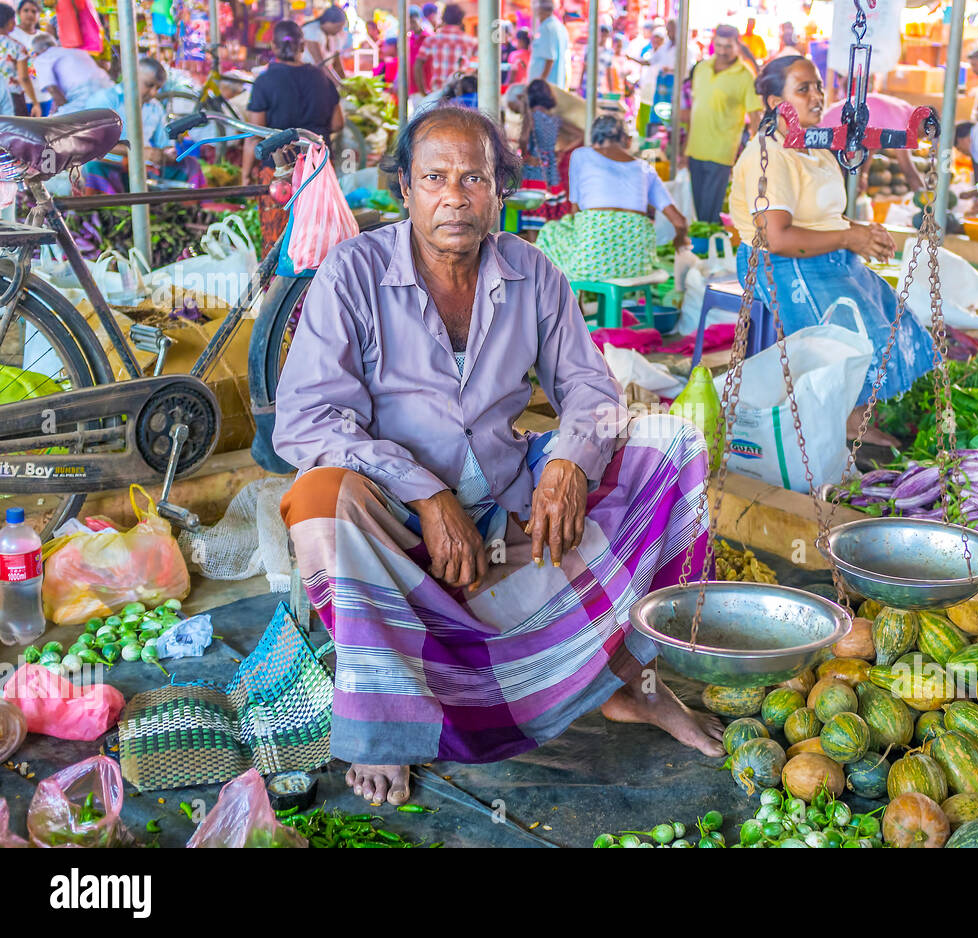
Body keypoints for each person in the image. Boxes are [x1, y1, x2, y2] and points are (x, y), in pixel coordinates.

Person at [273, 106, 723, 802]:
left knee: (673, 443)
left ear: (499, 191)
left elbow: (589, 386)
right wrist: (425, 493)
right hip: (397, 516)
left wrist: (570, 463)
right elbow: (306, 420)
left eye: (474, 178)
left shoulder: (531, 271)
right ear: (405, 187)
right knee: (318, 499)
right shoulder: (353, 272)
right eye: (434, 178)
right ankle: (387, 728)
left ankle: (635, 681)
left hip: (512, 497)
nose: (455, 196)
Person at [729, 55, 935, 403]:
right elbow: (777, 238)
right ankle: (850, 420)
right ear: (776, 103)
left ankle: (873, 408)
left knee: (897, 324)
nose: (816, 97)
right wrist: (848, 237)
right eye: (803, 89)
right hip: (780, 264)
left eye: (819, 87)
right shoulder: (768, 154)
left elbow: (824, 216)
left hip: (829, 257)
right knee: (860, 337)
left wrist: (861, 232)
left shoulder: (817, 146)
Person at [536, 114, 688, 280]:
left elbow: (575, 211)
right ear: (626, 140)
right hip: (638, 265)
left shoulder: (581, 155)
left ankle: (571, 299)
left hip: (590, 263)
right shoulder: (645, 168)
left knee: (549, 232)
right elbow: (679, 222)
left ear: (594, 140)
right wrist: (679, 242)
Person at [240, 21, 344, 251]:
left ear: (272, 46)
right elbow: (338, 123)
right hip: (317, 168)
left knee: (279, 240)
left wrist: (245, 174)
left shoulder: (265, 82)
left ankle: (279, 286)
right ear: (302, 46)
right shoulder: (321, 78)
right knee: (317, 237)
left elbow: (255, 136)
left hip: (279, 174)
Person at [78, 56, 200, 194]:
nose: (154, 93)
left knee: (190, 164)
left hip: (144, 170)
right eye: (149, 85)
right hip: (109, 165)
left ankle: (182, 208)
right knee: (94, 168)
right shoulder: (106, 99)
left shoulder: (156, 108)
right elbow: (93, 142)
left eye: (158, 88)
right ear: (132, 77)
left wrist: (167, 154)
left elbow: (165, 143)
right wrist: (139, 152)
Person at [682, 25, 763, 224]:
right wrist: (685, 148)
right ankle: (703, 249)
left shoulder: (745, 75)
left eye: (727, 46)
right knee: (699, 211)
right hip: (695, 149)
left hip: (721, 152)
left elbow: (754, 116)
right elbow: (696, 109)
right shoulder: (701, 68)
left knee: (709, 212)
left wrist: (757, 150)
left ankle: (708, 248)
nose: (722, 51)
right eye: (718, 45)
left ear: (738, 45)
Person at [29, 30, 110, 113]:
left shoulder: (41, 58)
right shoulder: (72, 50)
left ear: (36, 53)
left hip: (85, 94)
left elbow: (52, 89)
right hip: (108, 88)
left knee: (57, 123)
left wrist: (61, 111)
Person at [415, 1, 476, 97]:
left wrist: (423, 91)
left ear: (443, 18)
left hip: (438, 94)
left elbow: (418, 64)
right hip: (461, 94)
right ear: (461, 19)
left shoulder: (432, 39)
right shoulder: (470, 41)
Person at [519, 78, 560, 190]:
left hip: (534, 165)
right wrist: (561, 152)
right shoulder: (555, 119)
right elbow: (579, 134)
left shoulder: (531, 116)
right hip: (551, 166)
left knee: (532, 201)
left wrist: (524, 155)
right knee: (548, 197)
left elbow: (523, 138)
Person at [0, 4, 34, 116]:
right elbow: (23, 78)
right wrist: (35, 102)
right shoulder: (17, 46)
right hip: (13, 97)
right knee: (15, 132)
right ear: (10, 22)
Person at [302, 4, 351, 80]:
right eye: (337, 27)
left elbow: (337, 63)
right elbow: (319, 63)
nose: (338, 30)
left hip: (320, 77)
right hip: (307, 77)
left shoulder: (333, 35)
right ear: (327, 22)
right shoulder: (312, 31)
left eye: (341, 27)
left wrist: (344, 81)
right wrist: (338, 85)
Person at [527, 0, 568, 87]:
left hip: (545, 88)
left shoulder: (546, 28)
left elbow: (549, 59)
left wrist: (540, 84)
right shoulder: (560, 27)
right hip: (555, 86)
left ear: (539, 9)